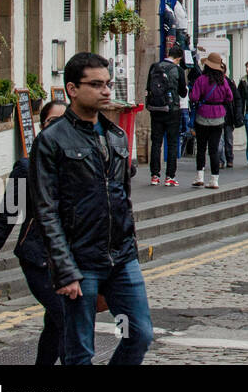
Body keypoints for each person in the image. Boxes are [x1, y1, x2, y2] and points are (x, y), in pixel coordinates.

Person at [28, 52, 154, 366]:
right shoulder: (50, 141)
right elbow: (46, 210)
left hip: (121, 257)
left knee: (139, 334)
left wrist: (130, 247)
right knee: (79, 352)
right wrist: (64, 270)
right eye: (96, 84)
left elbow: (122, 199)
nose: (106, 91)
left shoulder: (116, 136)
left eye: (107, 84)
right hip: (79, 260)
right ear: (72, 88)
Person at [0, 101, 69, 365]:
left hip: (70, 262)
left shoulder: (79, 163)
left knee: (55, 322)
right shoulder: (27, 168)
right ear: (42, 127)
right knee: (67, 320)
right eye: (52, 121)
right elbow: (5, 218)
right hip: (38, 259)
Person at [144, 43, 187, 187]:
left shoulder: (154, 67)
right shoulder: (178, 70)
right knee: (172, 143)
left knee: (156, 142)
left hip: (155, 109)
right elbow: (183, 92)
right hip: (172, 110)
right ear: (178, 58)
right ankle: (170, 177)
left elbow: (148, 87)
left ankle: (154, 175)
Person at [189, 53, 234, 189]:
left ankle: (200, 176)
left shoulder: (201, 80)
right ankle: (214, 179)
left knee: (201, 148)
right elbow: (230, 97)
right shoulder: (223, 81)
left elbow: (194, 97)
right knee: (214, 150)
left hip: (202, 116)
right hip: (218, 117)